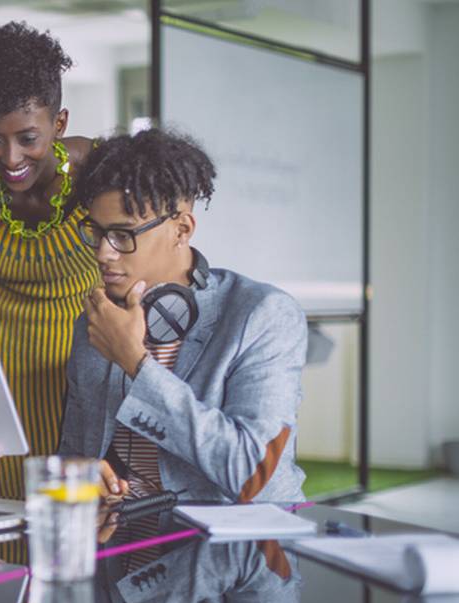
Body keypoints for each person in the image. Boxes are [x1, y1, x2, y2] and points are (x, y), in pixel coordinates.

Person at [59, 128, 308, 505]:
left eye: (123, 235)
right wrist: (80, 478)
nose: (103, 254)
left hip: (235, 554)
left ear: (181, 229)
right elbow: (73, 458)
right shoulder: (96, 322)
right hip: (123, 548)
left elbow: (257, 477)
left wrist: (136, 363)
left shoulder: (262, 316)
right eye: (95, 232)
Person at [0, 21, 101, 500]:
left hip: (82, 379)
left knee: (71, 527)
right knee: (3, 525)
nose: (9, 156)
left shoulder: (103, 175)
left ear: (59, 124)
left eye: (28, 138)